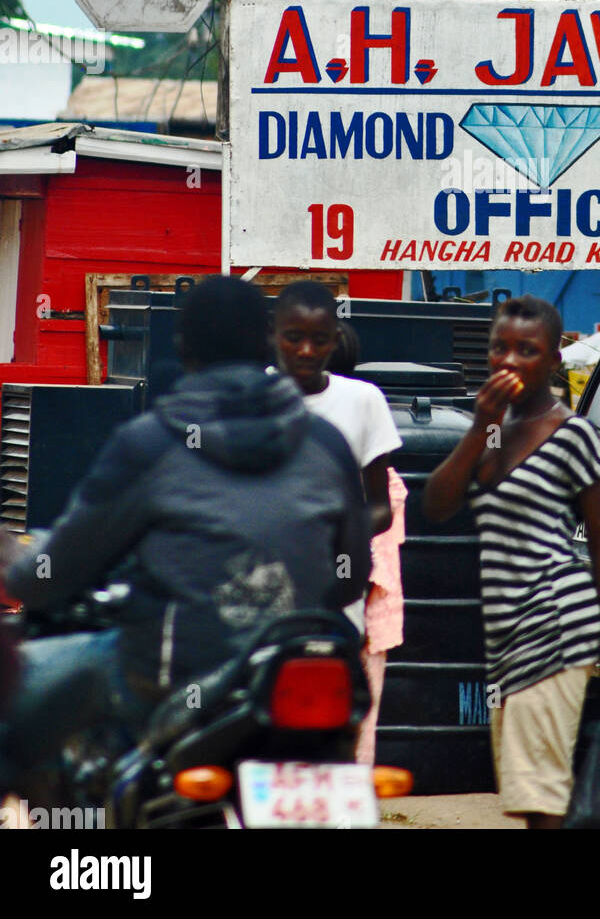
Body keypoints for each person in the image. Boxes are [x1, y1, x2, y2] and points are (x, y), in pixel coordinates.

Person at [0, 275, 370, 794]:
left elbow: (53, 574)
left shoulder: (152, 443)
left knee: (14, 690)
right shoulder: (327, 444)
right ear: (267, 342)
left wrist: (17, 563)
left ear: (183, 349)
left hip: (171, 675)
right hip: (295, 671)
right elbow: (352, 576)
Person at [423, 294, 600, 828]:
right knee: (527, 796)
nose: (509, 361)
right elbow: (437, 505)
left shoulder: (573, 434)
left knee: (540, 796)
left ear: (552, 362)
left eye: (527, 350)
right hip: (505, 637)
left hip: (555, 626)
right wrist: (479, 426)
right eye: (500, 348)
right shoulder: (491, 432)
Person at [272, 282, 406, 765]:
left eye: (319, 338)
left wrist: (333, 541)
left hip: (334, 599)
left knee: (336, 732)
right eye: (293, 337)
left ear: (335, 340)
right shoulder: (250, 398)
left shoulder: (363, 401)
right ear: (274, 336)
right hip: (257, 598)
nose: (306, 350)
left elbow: (380, 506)